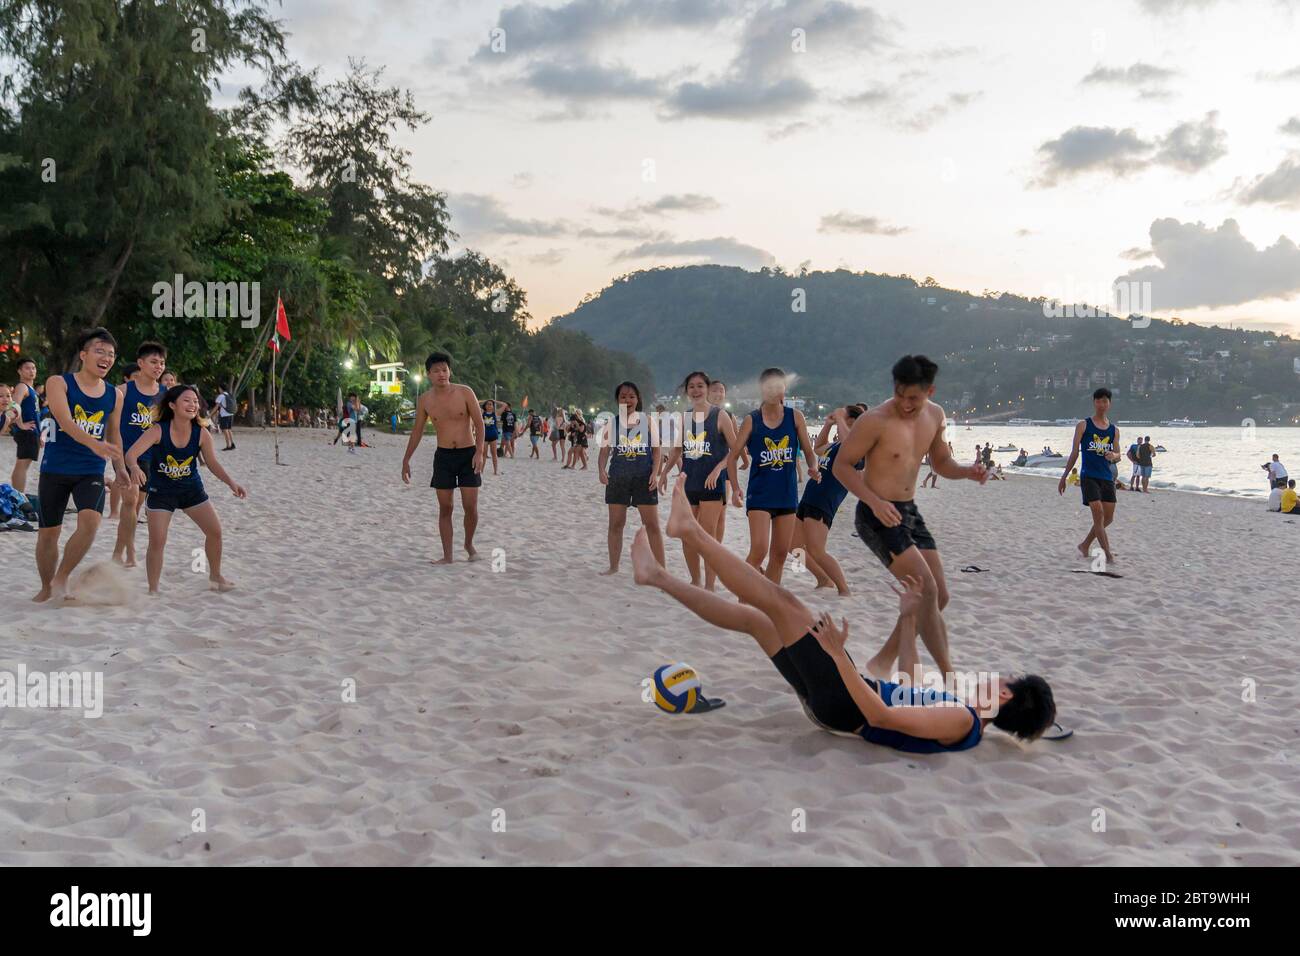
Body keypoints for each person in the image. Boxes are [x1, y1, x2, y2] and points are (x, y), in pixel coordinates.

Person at [630, 478, 1057, 753]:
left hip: (846, 705)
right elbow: (906, 686)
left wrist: (837, 658)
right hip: (842, 701)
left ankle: (690, 531)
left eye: (1004, 679)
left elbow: (882, 716)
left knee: (785, 603)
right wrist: (907, 618)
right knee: (758, 621)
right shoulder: (962, 713)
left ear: (1004, 696)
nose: (995, 676)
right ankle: (655, 576)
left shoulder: (961, 719)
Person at [834, 356, 986, 680]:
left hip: (909, 511)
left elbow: (942, 463)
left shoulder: (935, 415)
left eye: (913, 398)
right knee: (927, 590)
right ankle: (950, 677)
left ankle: (882, 661)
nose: (905, 404)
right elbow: (842, 466)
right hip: (877, 514)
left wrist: (968, 473)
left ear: (929, 391)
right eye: (899, 394)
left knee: (939, 596)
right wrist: (874, 502)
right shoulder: (874, 420)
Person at [33, 327, 126, 604]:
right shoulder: (58, 383)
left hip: (91, 470)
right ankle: (47, 587)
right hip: (55, 468)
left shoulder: (115, 395)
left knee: (90, 522)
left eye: (111, 354)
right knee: (49, 534)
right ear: (83, 354)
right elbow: (63, 420)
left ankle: (62, 577)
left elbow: (114, 434)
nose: (106, 358)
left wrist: (120, 468)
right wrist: (94, 444)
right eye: (100, 351)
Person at [125, 384, 245, 592]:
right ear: (172, 405)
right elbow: (131, 454)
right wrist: (134, 468)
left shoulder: (201, 433)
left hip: (191, 491)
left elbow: (213, 464)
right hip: (161, 493)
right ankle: (153, 589)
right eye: (187, 400)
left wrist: (231, 483)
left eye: (195, 401)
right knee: (157, 541)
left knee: (215, 531)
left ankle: (216, 576)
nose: (193, 405)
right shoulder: (158, 430)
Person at [725, 367, 820, 585]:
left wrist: (813, 467)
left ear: (784, 389)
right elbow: (732, 458)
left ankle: (769, 604)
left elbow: (808, 452)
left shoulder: (795, 417)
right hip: (760, 495)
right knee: (758, 551)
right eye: (769, 386)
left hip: (787, 495)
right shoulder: (752, 420)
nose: (774, 390)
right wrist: (736, 489)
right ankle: (744, 601)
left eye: (778, 386)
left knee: (779, 554)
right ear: (762, 389)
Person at [402, 352, 486, 564]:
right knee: (446, 507)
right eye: (436, 371)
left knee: (470, 506)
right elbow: (417, 431)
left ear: (450, 371)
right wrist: (406, 460)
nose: (442, 374)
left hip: (468, 454)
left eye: (445, 370)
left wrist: (479, 452)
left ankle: (468, 544)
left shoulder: (465, 392)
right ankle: (448, 556)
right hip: (444, 457)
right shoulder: (426, 400)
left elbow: (479, 423)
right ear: (428, 374)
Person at [659, 371, 740, 590]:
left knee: (707, 536)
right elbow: (677, 450)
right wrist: (664, 473)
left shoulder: (720, 415)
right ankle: (695, 580)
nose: (696, 390)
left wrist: (718, 469)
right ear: (687, 391)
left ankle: (710, 585)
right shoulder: (685, 417)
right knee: (688, 535)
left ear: (707, 388)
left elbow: (735, 450)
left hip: (712, 485)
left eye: (700, 386)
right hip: (690, 483)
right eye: (691, 387)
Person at [790, 404, 865, 596]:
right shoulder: (835, 447)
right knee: (794, 547)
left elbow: (850, 445)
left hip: (824, 502)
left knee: (817, 550)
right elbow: (818, 448)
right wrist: (829, 424)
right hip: (809, 498)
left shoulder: (857, 449)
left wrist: (841, 419)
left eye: (846, 422)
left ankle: (844, 589)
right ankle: (824, 579)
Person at [598, 381, 664, 575]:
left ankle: (661, 570)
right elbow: (604, 451)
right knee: (616, 524)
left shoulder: (648, 421)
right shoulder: (613, 422)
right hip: (618, 477)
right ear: (618, 400)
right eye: (623, 397)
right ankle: (613, 567)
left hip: (644, 478)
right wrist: (601, 470)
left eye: (631, 397)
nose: (627, 400)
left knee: (652, 525)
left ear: (638, 399)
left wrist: (655, 472)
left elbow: (657, 450)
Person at [112, 341, 167, 567]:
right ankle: (130, 552)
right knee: (130, 500)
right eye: (153, 362)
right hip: (126, 455)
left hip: (151, 458)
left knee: (134, 508)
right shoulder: (123, 392)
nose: (158, 367)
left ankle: (119, 551)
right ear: (141, 363)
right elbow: (111, 426)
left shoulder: (166, 395)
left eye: (162, 363)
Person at [1058, 388, 1122, 566]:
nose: (1102, 404)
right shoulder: (1083, 425)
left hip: (1107, 477)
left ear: (1109, 404)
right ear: (1094, 402)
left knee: (1108, 518)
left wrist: (1114, 456)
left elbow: (1119, 454)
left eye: (1105, 401)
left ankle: (1085, 545)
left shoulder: (1114, 430)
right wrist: (1064, 476)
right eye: (1098, 401)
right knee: (1099, 514)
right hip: (1088, 476)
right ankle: (1108, 555)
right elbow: (1074, 453)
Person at [706, 379, 747, 544]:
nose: (718, 393)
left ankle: (717, 547)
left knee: (721, 512)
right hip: (703, 466)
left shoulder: (729, 416)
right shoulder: (698, 414)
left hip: (725, 469)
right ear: (707, 393)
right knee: (704, 514)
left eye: (721, 390)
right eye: (714, 390)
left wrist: (745, 460)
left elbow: (737, 443)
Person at [9, 356, 41, 492]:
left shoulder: (31, 389)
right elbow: (14, 406)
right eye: (27, 368)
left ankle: (18, 497)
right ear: (19, 371)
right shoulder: (22, 386)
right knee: (21, 466)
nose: (31, 371)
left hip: (32, 433)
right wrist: (21, 425)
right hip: (26, 432)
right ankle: (18, 498)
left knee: (23, 466)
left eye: (33, 368)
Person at [479, 400, 501, 474]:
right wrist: (485, 400)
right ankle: (481, 470)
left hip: (493, 436)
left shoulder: (495, 414)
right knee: (483, 454)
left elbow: (504, 405)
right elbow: (476, 402)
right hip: (484, 436)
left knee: (494, 454)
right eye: (487, 404)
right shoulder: (482, 413)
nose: (489, 405)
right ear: (485, 406)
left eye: (491, 404)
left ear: (493, 406)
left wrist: (494, 401)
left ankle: (495, 471)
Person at [214, 385, 235, 450]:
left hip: (224, 415)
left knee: (225, 430)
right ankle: (232, 444)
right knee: (229, 429)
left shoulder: (221, 396)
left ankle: (228, 446)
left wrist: (210, 415)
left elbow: (216, 407)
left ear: (220, 388)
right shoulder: (229, 395)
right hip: (231, 414)